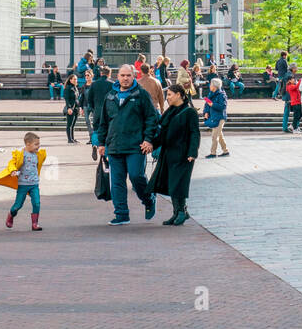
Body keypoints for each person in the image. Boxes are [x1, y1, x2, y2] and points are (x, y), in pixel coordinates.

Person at [95, 64, 159, 225]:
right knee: (116, 182)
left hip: (136, 146)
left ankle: (148, 199)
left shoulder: (141, 95)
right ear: (117, 77)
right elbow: (103, 122)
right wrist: (101, 143)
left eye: (128, 75)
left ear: (134, 76)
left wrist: (148, 139)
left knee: (136, 176)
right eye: (122, 75)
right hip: (114, 146)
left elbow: (151, 118)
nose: (125, 78)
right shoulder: (110, 96)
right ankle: (121, 214)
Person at [147, 84, 201, 225]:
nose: (167, 98)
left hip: (183, 154)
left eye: (170, 94)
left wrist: (192, 152)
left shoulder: (189, 112)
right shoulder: (170, 111)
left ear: (179, 95)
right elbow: (162, 133)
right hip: (168, 153)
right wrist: (152, 144)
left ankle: (181, 212)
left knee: (178, 184)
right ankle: (178, 212)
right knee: (172, 183)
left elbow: (195, 133)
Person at [0, 132, 47, 231]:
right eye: (36, 144)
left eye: (39, 144)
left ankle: (35, 224)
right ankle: (11, 214)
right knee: (18, 205)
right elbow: (11, 163)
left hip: (34, 184)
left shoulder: (38, 154)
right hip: (23, 185)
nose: (38, 146)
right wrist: (13, 170)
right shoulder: (20, 154)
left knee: (37, 203)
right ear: (28, 144)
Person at [88, 66, 113, 161]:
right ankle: (105, 155)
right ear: (109, 74)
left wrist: (94, 109)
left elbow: (89, 99)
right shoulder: (112, 84)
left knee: (96, 130)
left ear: (101, 73)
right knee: (107, 132)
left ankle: (94, 144)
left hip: (97, 112)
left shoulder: (94, 84)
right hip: (109, 112)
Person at [202, 76, 229, 157]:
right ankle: (226, 151)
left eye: (210, 84)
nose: (209, 86)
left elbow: (223, 107)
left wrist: (212, 104)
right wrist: (206, 112)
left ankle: (213, 153)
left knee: (214, 136)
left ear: (215, 86)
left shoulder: (222, 95)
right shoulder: (210, 94)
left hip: (220, 117)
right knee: (219, 135)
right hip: (214, 117)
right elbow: (206, 104)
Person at [63, 72, 81, 144]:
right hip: (71, 108)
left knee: (73, 125)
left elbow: (77, 99)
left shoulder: (75, 88)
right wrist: (69, 108)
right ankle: (69, 139)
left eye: (76, 79)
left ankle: (72, 138)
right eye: (74, 79)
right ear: (70, 80)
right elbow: (67, 99)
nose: (75, 80)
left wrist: (79, 107)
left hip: (76, 108)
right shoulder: (68, 88)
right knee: (69, 124)